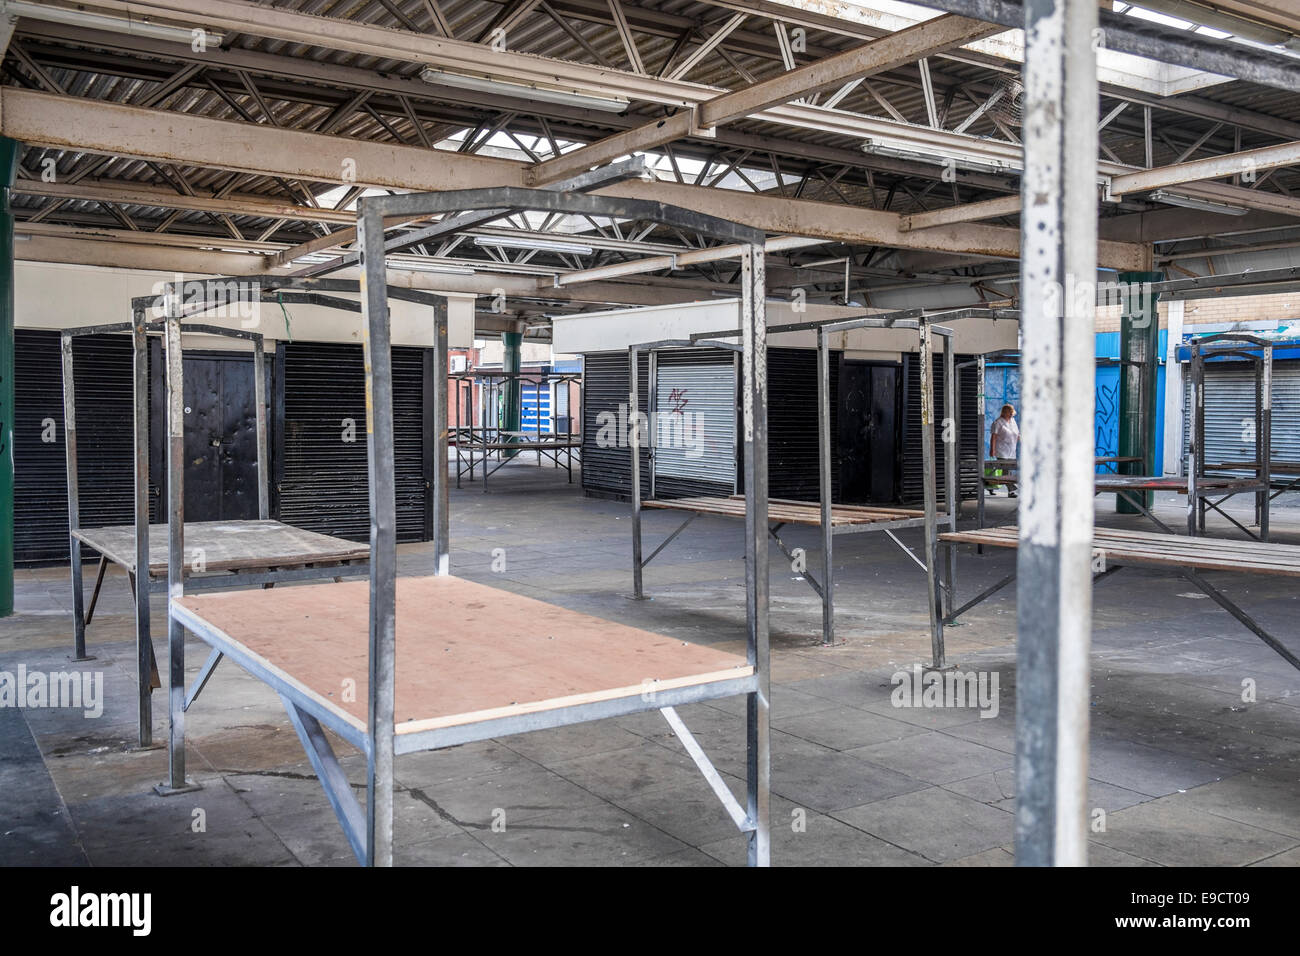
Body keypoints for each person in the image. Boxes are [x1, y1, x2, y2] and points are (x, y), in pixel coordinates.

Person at [989, 404, 1019, 498]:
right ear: (1004, 413)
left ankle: (989, 484)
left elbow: (1017, 434)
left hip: (1012, 450)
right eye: (1009, 413)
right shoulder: (997, 422)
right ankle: (1011, 490)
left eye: (1012, 413)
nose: (1011, 415)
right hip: (1001, 450)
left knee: (1004, 471)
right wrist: (992, 449)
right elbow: (994, 437)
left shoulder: (1013, 421)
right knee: (1006, 471)